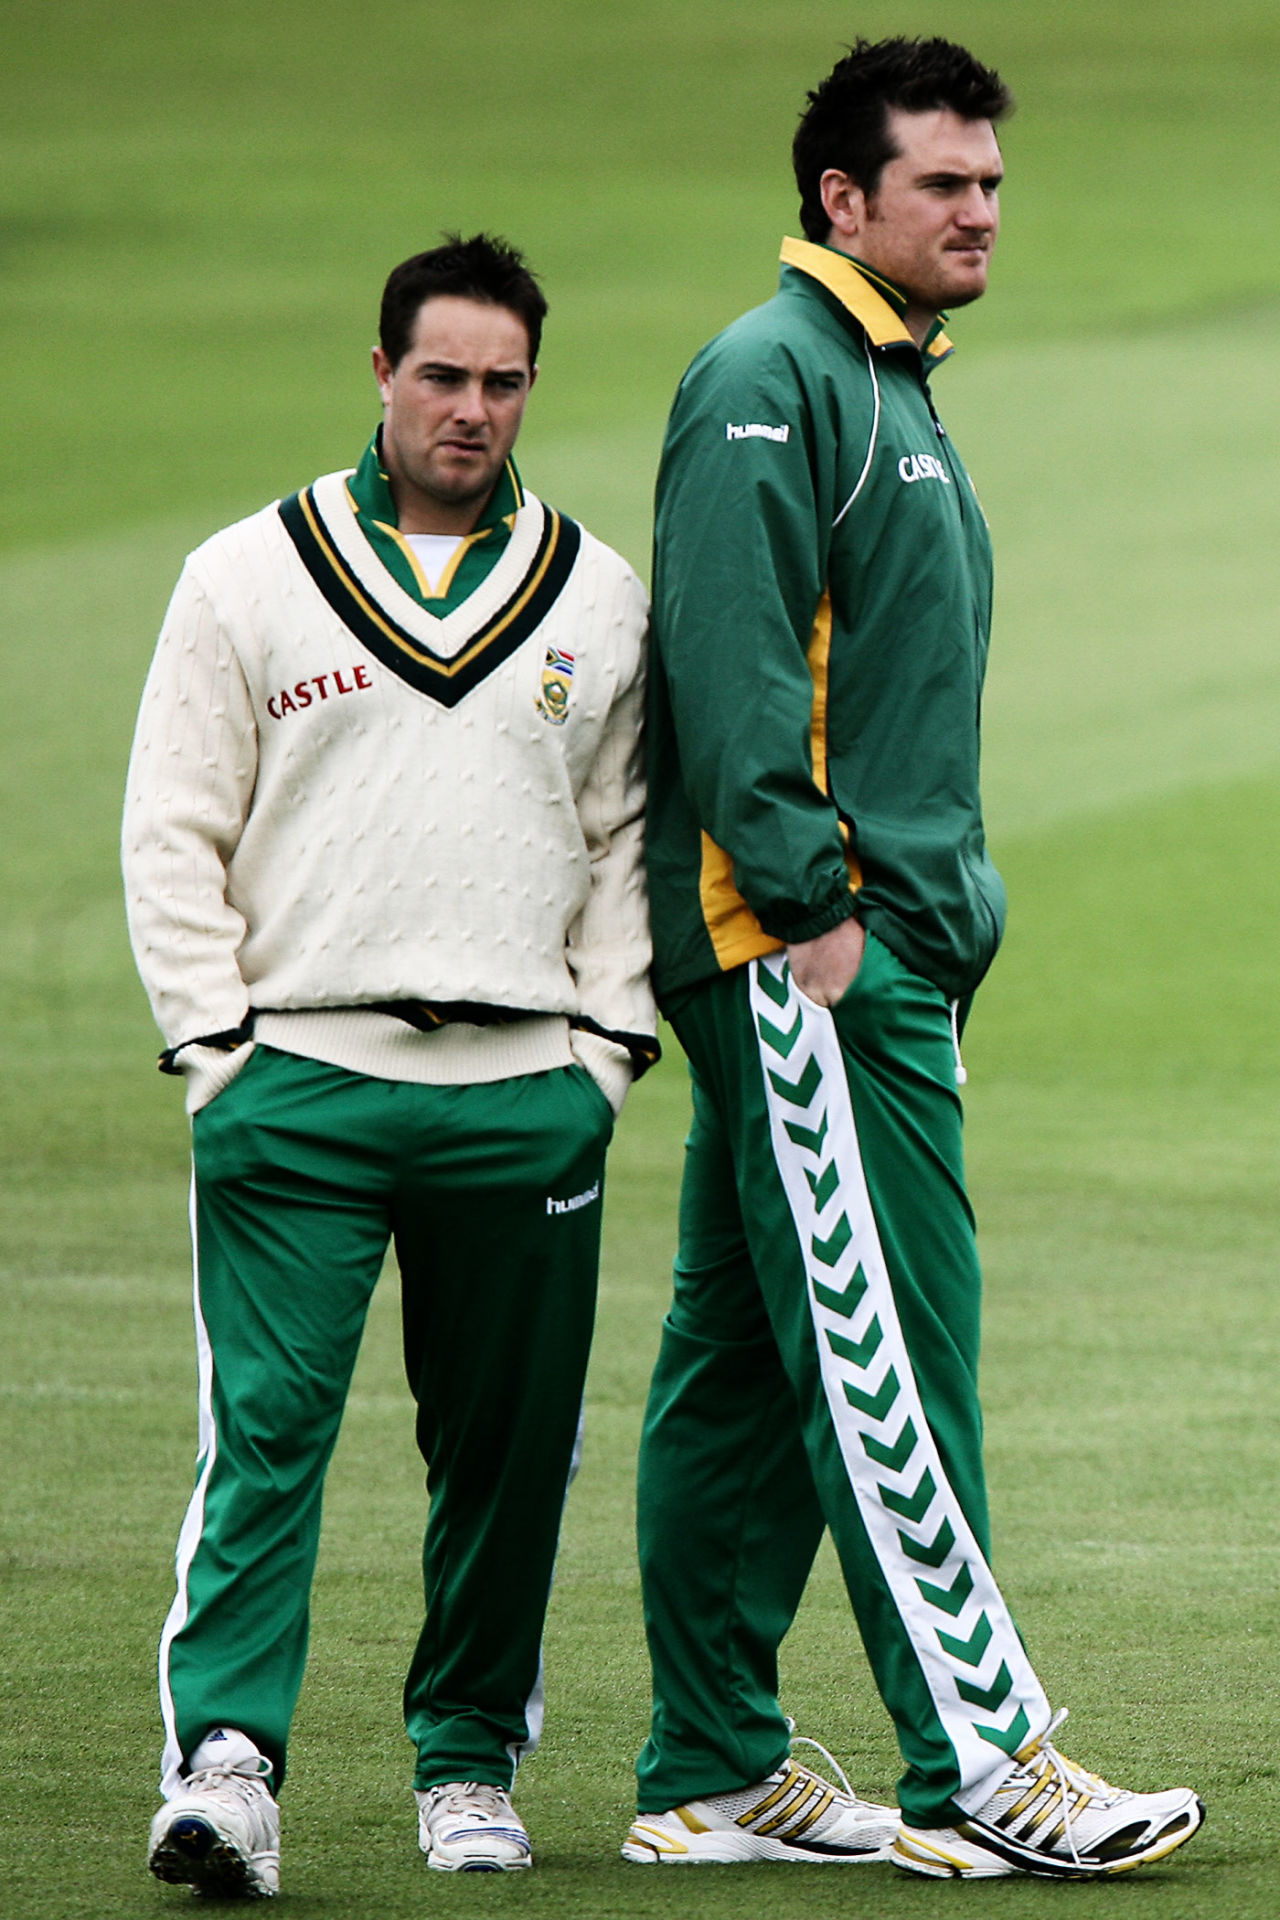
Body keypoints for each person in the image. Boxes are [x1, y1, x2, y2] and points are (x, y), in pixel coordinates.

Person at [623, 37, 1204, 1879]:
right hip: (806, 961)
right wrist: (820, 917)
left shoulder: (885, 385)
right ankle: (983, 1767)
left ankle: (713, 1768)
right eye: (944, 183)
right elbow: (730, 669)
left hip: (855, 956)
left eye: (994, 183)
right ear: (841, 197)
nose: (982, 212)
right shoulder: (768, 378)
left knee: (743, 1364)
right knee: (895, 1357)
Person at [123, 232, 656, 1895]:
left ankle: (468, 1761)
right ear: (381, 372)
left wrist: (603, 1054)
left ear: (531, 389)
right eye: (442, 375)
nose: (471, 409)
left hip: (522, 1097)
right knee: (267, 1434)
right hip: (297, 1084)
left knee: (507, 1453)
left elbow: (629, 841)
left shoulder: (598, 592)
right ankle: (227, 1768)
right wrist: (217, 1047)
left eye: (503, 381)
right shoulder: (246, 575)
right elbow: (172, 823)